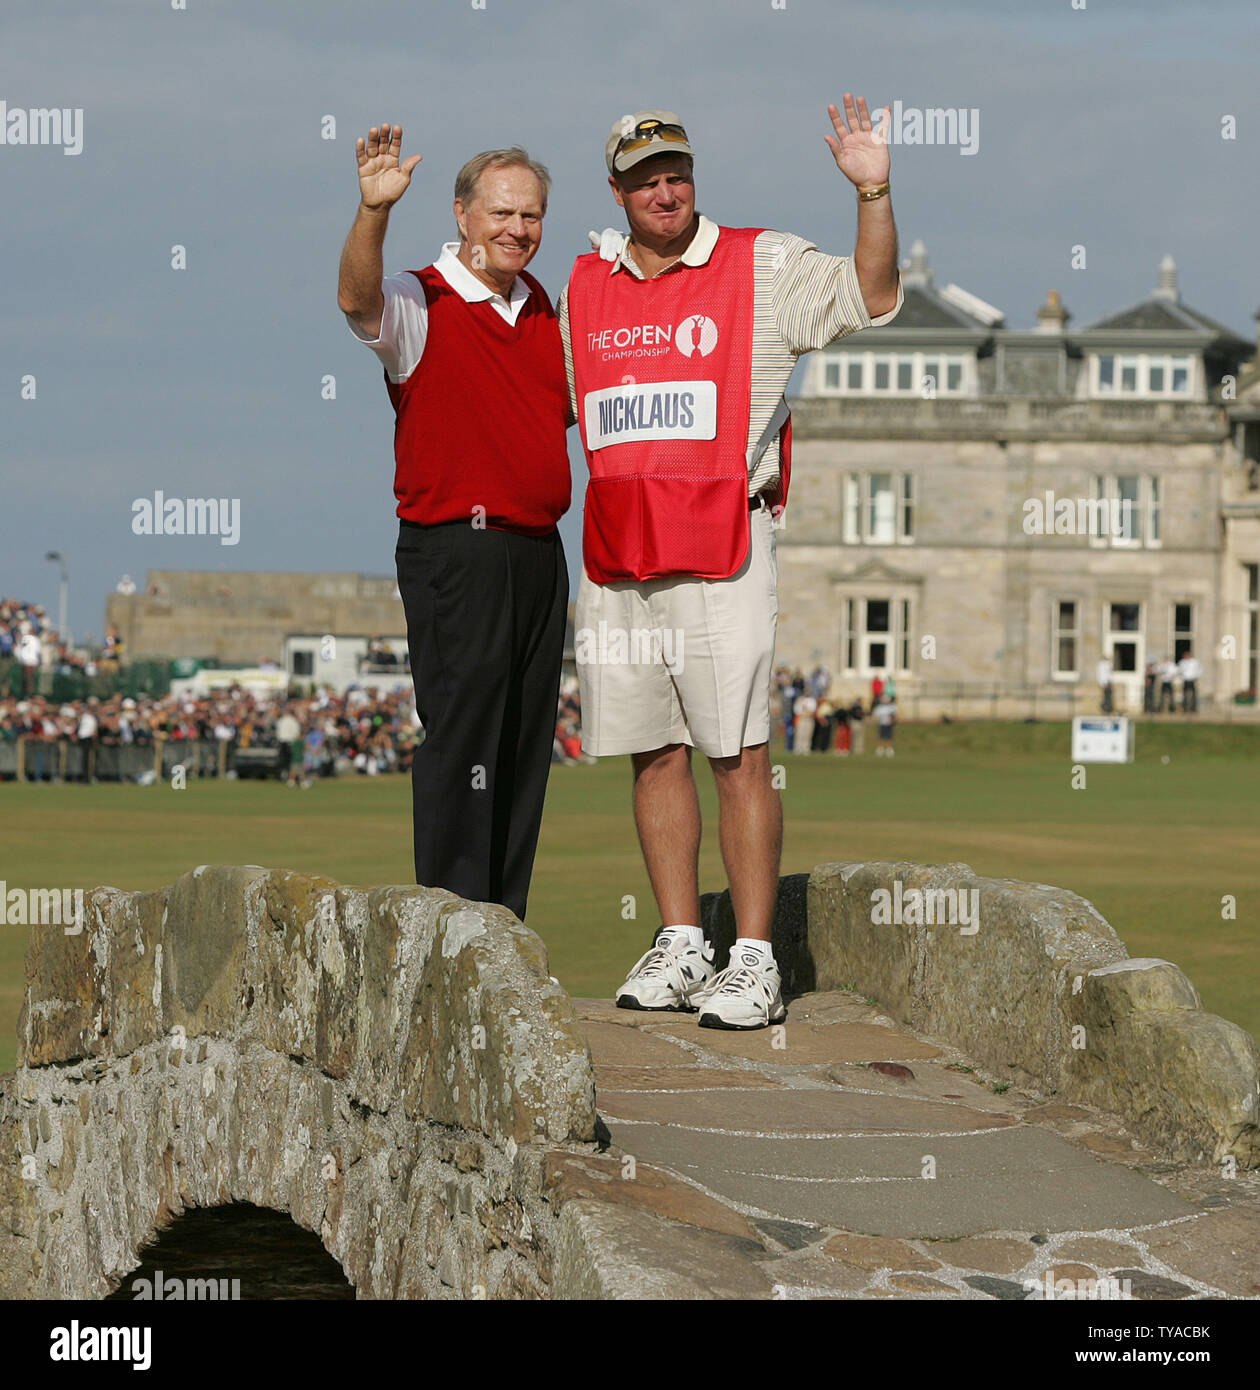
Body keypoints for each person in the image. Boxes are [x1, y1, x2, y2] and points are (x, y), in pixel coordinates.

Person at [560, 99, 901, 1028]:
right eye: (644, 180)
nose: (664, 191)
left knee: (739, 753)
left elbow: (871, 294)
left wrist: (872, 188)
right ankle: (682, 941)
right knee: (653, 753)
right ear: (617, 191)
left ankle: (754, 957)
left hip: (725, 543)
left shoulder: (762, 262)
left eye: (676, 173)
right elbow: (544, 403)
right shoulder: (584, 287)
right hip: (618, 553)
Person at [338, 126, 570, 921]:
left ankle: (503, 930)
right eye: (502, 213)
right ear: (464, 215)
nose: (518, 229)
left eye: (532, 216)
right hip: (457, 552)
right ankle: (452, 932)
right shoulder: (421, 294)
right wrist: (372, 212)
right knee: (463, 741)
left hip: (539, 550)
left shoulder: (543, 306)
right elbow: (356, 301)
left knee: (522, 748)